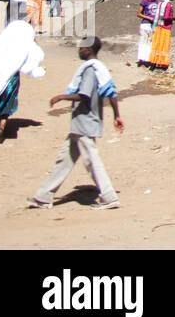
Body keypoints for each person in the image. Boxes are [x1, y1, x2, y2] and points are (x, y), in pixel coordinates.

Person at [27, 36, 123, 210]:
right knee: (65, 160)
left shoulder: (89, 70)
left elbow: (84, 95)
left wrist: (61, 97)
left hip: (85, 123)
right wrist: (117, 115)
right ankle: (43, 196)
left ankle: (109, 197)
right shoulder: (99, 69)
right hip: (81, 123)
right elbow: (112, 93)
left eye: (82, 48)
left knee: (91, 161)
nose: (79, 51)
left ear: (90, 50)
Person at [0, 21, 46, 141]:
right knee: (6, 105)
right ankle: (1, 127)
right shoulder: (25, 46)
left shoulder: (0, 42)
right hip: (12, 80)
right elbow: (34, 60)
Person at [148, 0, 175, 71]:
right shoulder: (168, 5)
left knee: (157, 44)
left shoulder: (161, 3)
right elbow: (166, 17)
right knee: (164, 45)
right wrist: (173, 18)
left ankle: (153, 63)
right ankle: (163, 63)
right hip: (165, 27)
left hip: (158, 27)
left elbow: (158, 15)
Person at [136, 0, 158, 67]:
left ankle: (148, 59)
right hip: (145, 24)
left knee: (150, 42)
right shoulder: (144, 1)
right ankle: (141, 59)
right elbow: (139, 14)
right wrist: (148, 18)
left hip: (153, 25)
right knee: (143, 41)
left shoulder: (155, 1)